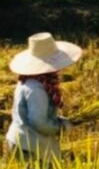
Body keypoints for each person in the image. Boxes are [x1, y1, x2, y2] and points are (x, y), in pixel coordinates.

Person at [5, 31, 82, 160]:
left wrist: (58, 119)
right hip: (30, 146)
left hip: (20, 140)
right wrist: (59, 128)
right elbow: (38, 122)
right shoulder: (37, 89)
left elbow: (37, 113)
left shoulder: (27, 81)